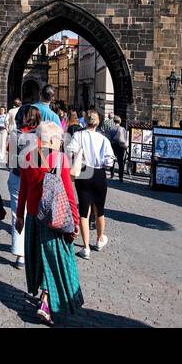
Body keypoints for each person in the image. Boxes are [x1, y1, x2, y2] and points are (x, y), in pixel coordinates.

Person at [15, 120, 85, 325]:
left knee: (41, 257)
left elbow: (24, 191)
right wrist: (74, 221)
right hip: (55, 219)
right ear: (53, 140)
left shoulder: (27, 157)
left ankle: (45, 298)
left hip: (34, 216)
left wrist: (20, 215)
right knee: (54, 259)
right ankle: (46, 302)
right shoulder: (59, 159)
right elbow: (69, 193)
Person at [69, 110, 115, 259]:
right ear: (97, 123)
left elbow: (70, 150)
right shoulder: (103, 139)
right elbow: (109, 160)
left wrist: (79, 157)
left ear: (85, 121)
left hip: (83, 172)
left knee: (84, 211)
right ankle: (100, 239)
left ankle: (86, 247)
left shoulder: (78, 135)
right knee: (99, 209)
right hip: (99, 173)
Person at [7, 104, 40, 267]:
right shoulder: (41, 135)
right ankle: (34, 248)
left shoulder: (15, 134)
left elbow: (11, 161)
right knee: (35, 214)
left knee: (17, 214)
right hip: (36, 179)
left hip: (18, 177)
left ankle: (20, 254)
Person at [104, 114, 127, 182]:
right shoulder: (122, 129)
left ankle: (112, 174)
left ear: (114, 121)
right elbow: (125, 138)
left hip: (112, 145)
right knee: (121, 162)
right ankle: (121, 177)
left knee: (112, 160)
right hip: (120, 146)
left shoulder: (110, 128)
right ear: (119, 121)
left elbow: (108, 137)